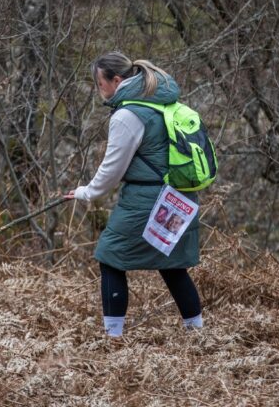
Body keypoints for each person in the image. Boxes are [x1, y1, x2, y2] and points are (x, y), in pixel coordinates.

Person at [63, 51, 203, 337]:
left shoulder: (128, 115)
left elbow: (111, 170)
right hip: (178, 198)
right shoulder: (162, 101)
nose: (99, 90)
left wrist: (86, 193)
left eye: (100, 83)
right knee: (172, 265)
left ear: (116, 80)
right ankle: (198, 335)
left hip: (147, 201)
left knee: (110, 256)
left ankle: (112, 337)